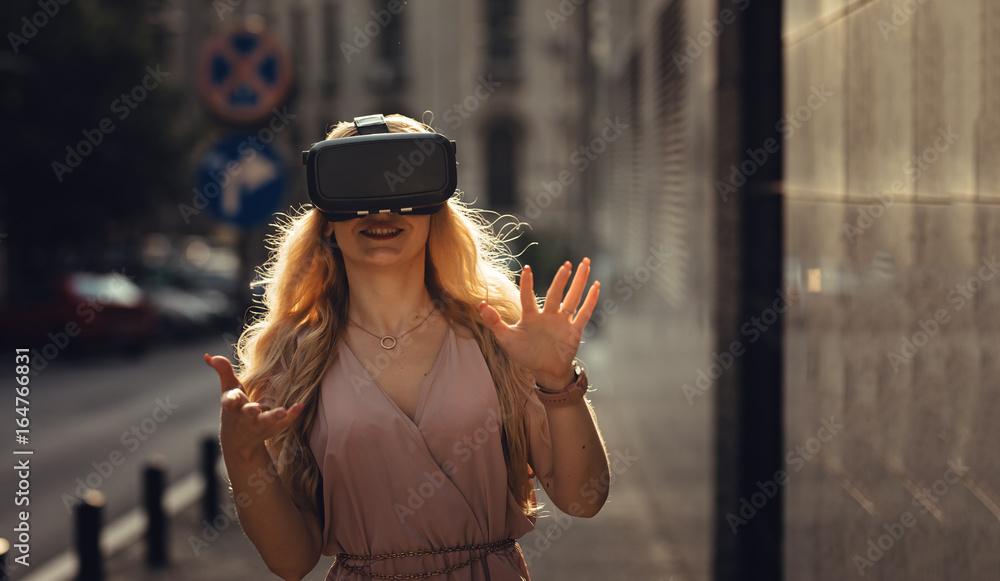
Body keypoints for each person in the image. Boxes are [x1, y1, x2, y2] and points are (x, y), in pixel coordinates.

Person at [205, 114, 610, 580]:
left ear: (435, 212)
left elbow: (584, 500)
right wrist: (243, 455)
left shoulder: (499, 339)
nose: (381, 210)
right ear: (328, 223)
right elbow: (292, 561)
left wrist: (558, 382)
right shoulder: (294, 359)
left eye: (405, 188)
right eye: (357, 189)